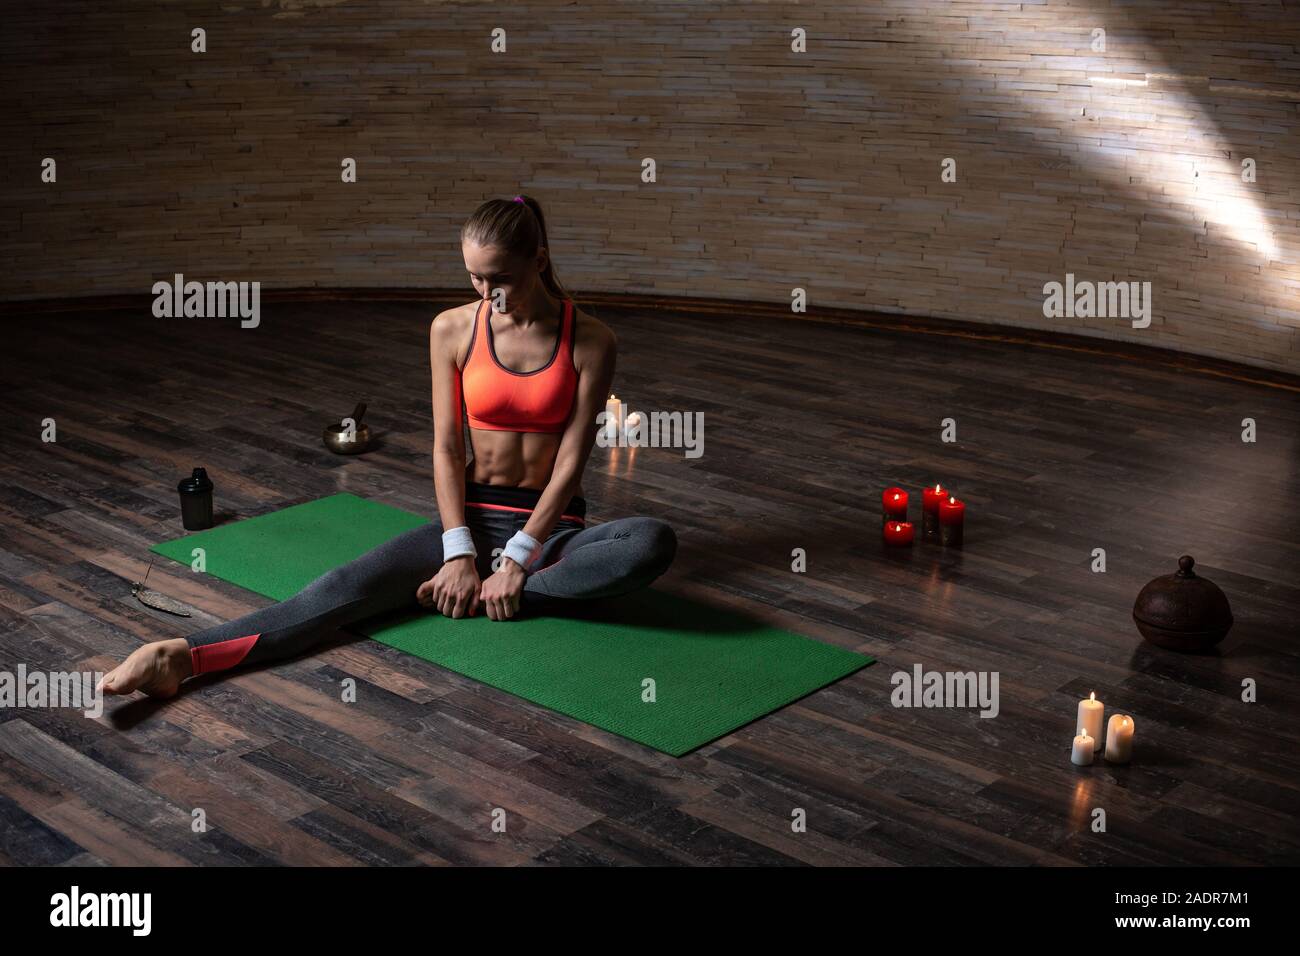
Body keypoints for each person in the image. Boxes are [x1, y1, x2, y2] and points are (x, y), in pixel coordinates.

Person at [100, 195, 678, 698]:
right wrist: (458, 552)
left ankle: (493, 590)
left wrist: (519, 561)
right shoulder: (452, 330)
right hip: (473, 521)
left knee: (649, 543)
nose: (486, 292)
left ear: (539, 262)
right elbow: (448, 448)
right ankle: (180, 656)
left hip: (555, 534)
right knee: (342, 587)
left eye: (500, 277)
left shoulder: (593, 340)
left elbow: (574, 461)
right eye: (475, 277)